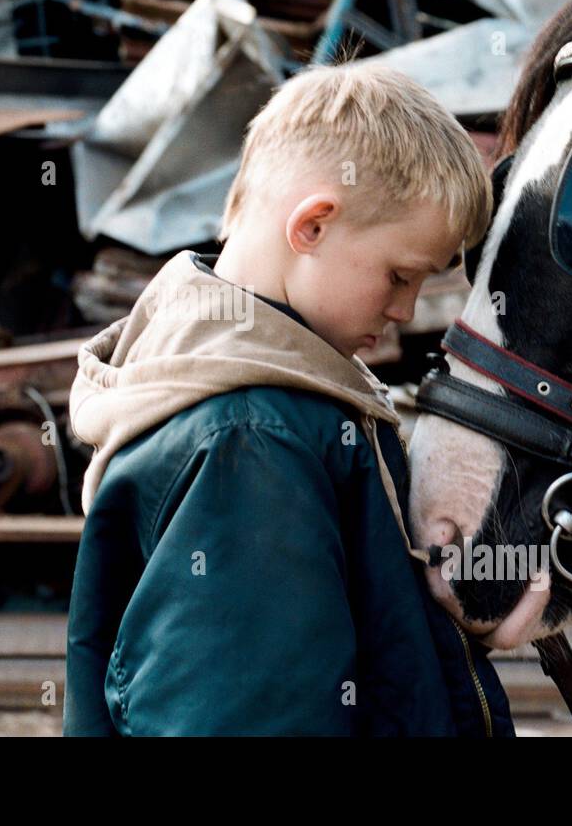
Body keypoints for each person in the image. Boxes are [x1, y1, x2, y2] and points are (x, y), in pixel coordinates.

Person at [63, 62, 510, 735]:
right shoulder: (252, 438)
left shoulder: (273, 399)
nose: (407, 308)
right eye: (401, 274)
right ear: (313, 226)